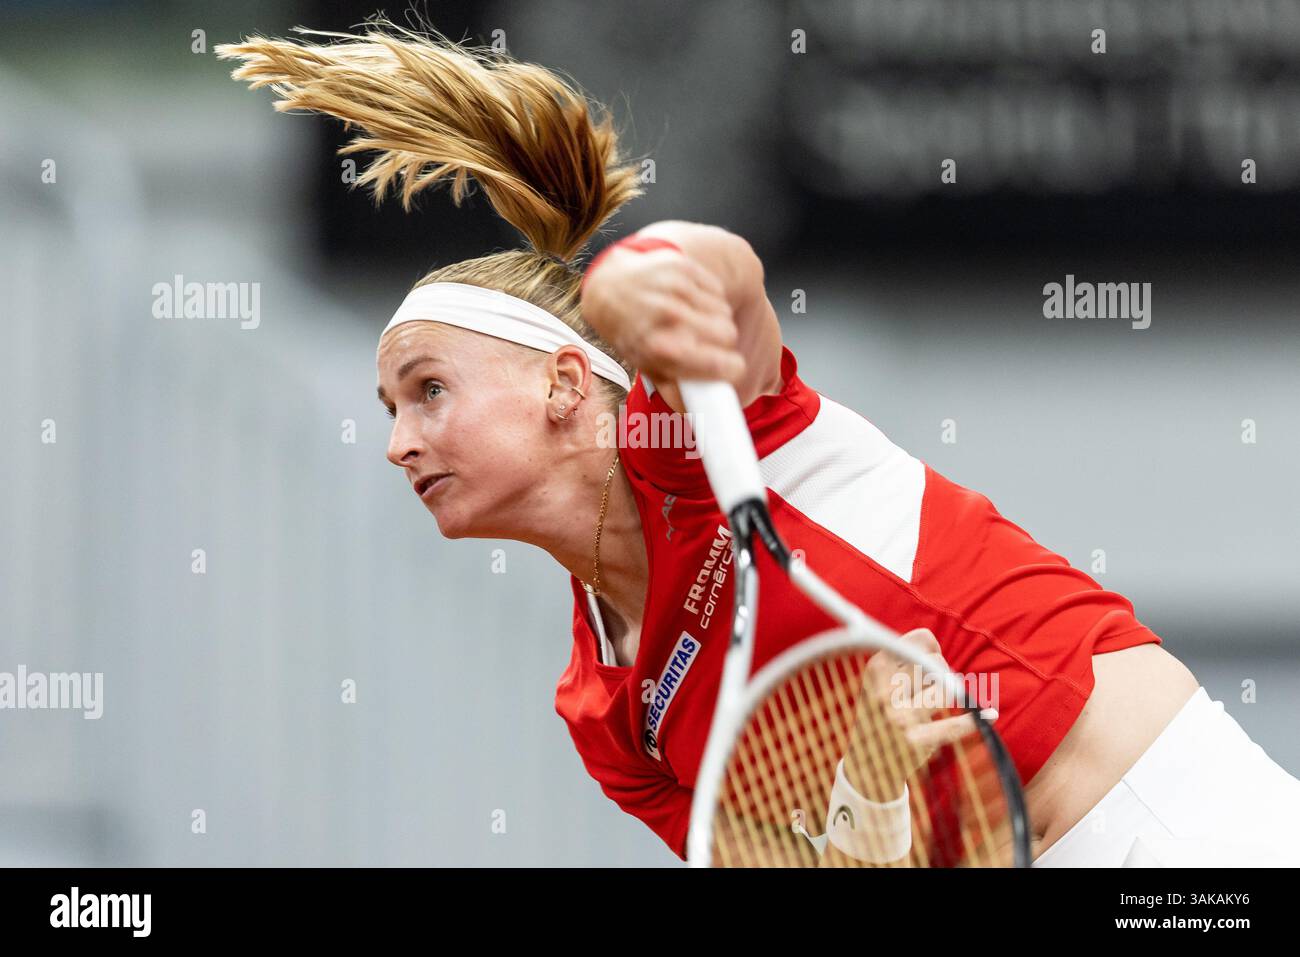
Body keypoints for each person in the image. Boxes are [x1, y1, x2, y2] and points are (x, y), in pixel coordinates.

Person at [218, 21, 1300, 866]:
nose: (399, 443)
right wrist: (869, 803)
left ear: (560, 384)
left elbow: (727, 283)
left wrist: (646, 269)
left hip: (1173, 834)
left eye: (427, 391)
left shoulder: (686, 437)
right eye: (388, 410)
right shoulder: (605, 712)